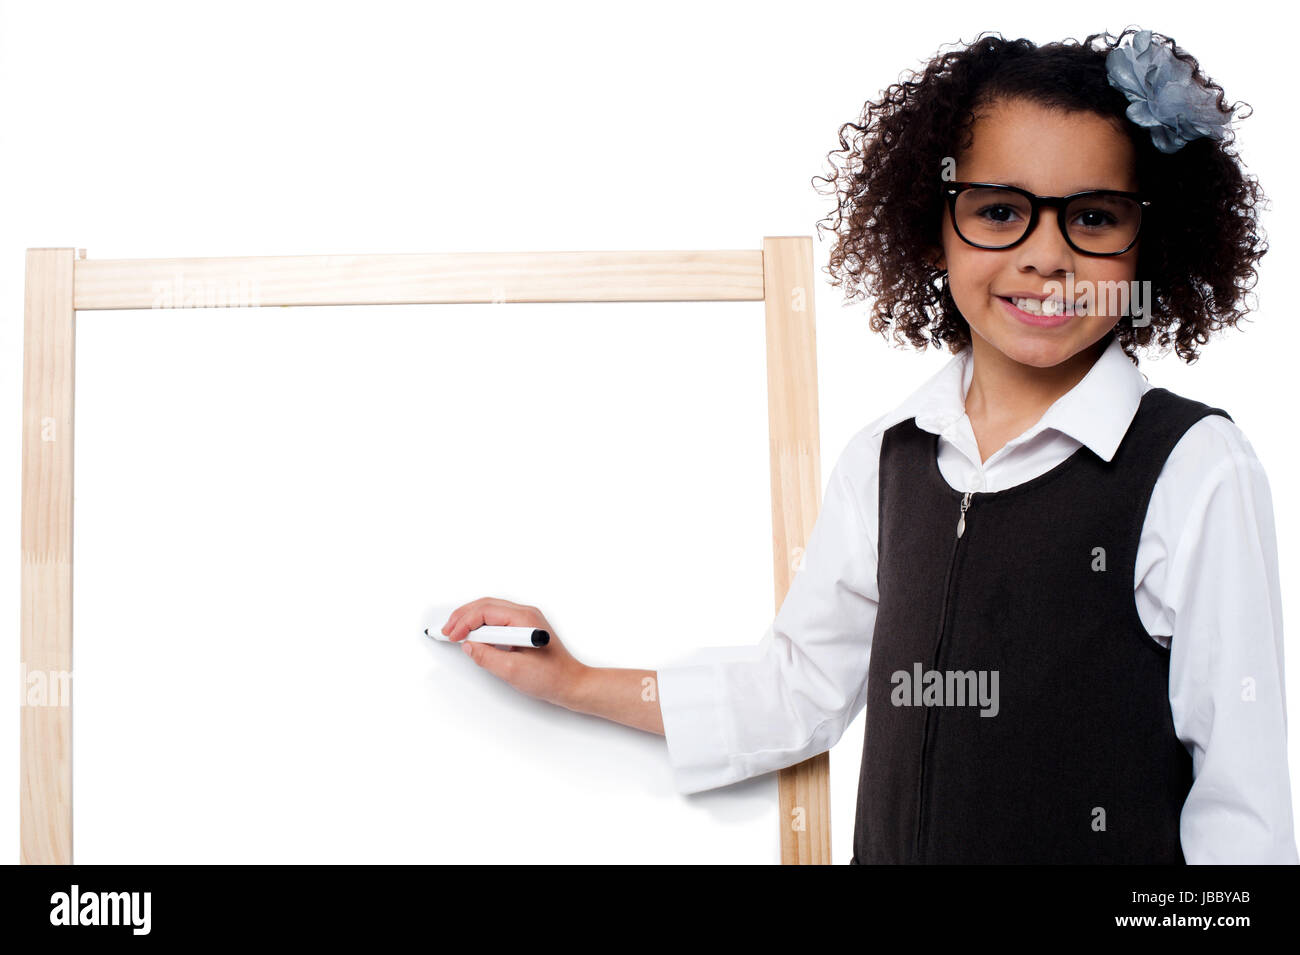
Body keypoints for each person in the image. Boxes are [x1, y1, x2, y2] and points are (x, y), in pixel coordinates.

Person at [440, 28, 1298, 863]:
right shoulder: (887, 460)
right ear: (935, 228)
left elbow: (1243, 807)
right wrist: (575, 679)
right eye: (1000, 210)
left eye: (1095, 217)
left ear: (1150, 239)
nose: (1047, 257)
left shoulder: (1194, 466)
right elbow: (797, 693)